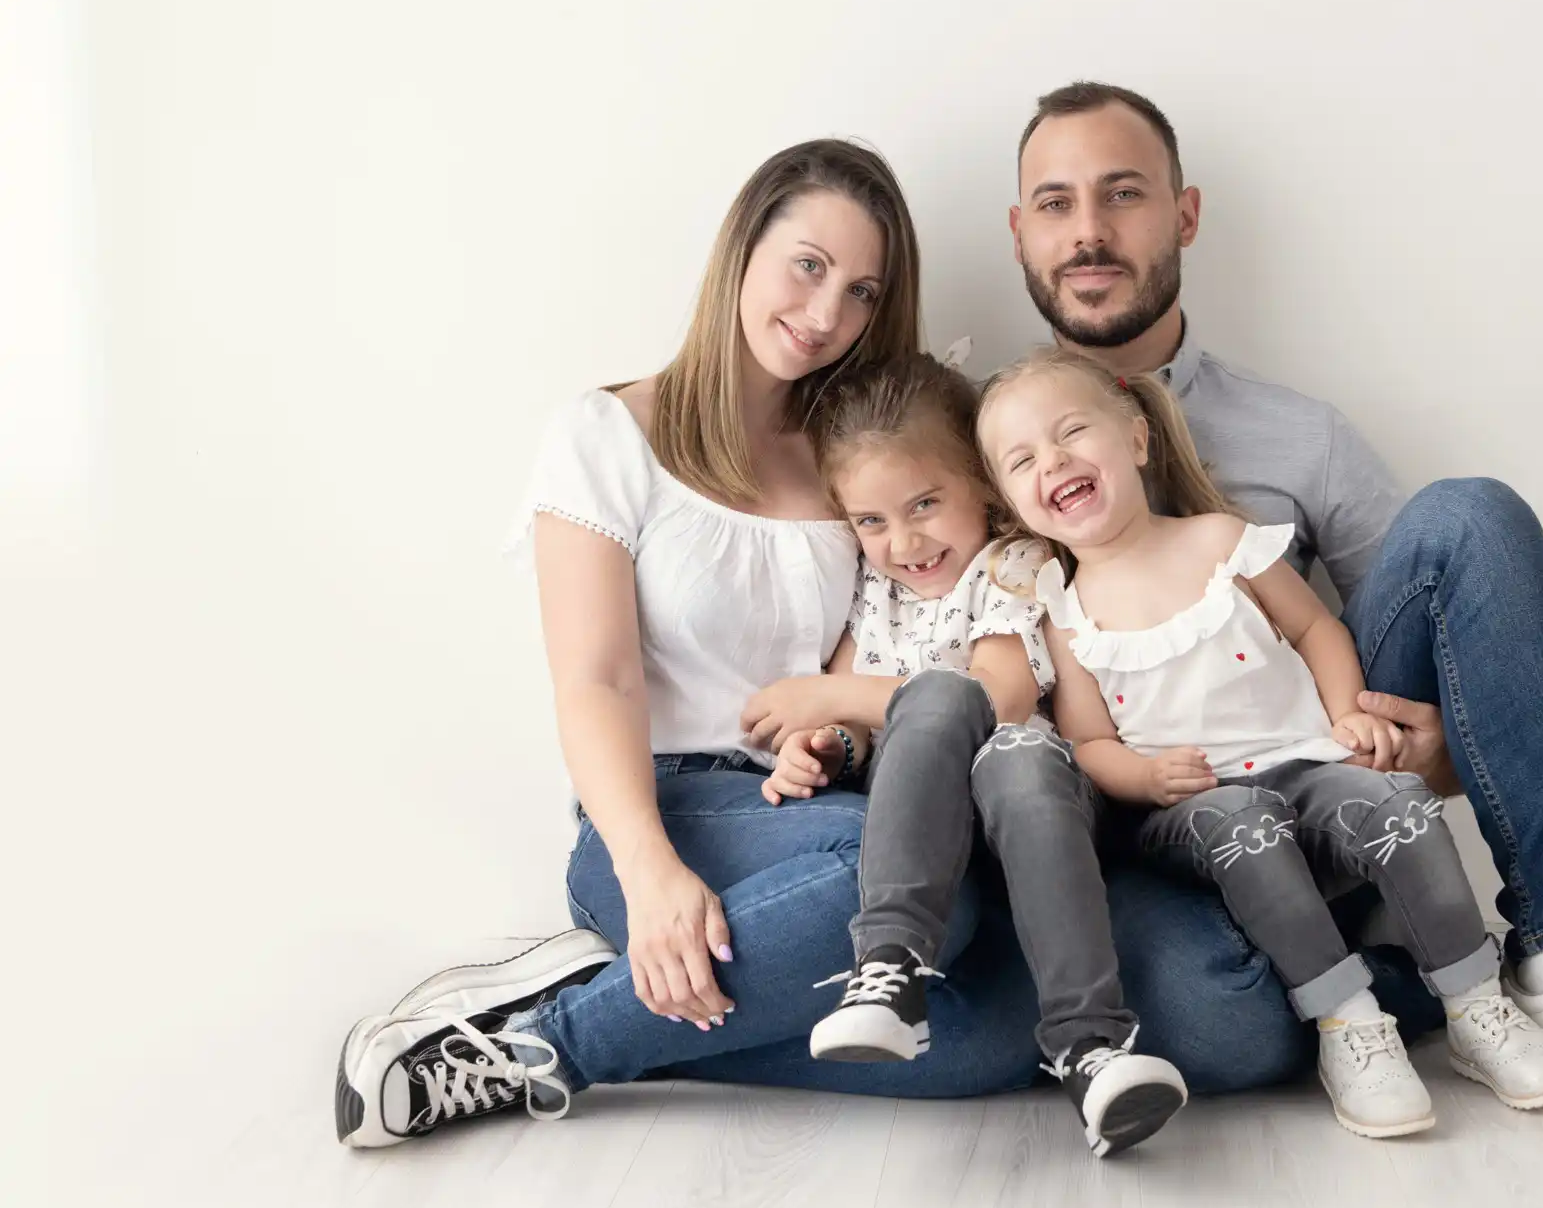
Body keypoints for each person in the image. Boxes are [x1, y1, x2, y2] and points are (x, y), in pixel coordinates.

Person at [1004, 81, 1543, 1121]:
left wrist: (1427, 747)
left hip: (1320, 765)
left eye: (1123, 194)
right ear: (1019, 233)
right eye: (1055, 204)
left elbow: (1440, 645)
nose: (1089, 233)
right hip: (1157, 827)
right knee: (1221, 1021)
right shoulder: (983, 453)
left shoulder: (1300, 435)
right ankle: (1396, 981)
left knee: (1468, 517)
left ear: (1184, 214)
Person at [335, 139, 1052, 1148]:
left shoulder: (856, 460)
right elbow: (596, 678)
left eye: (860, 292)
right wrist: (649, 871)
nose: (825, 313)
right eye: (808, 266)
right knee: (904, 877)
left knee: (1004, 1023)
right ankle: (541, 1050)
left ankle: (603, 1002)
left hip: (824, 796)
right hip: (666, 812)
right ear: (742, 248)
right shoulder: (606, 434)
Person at [977, 346, 1543, 1136]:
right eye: (1022, 460)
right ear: (1011, 502)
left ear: (1136, 438)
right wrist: (1146, 777)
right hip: (1195, 803)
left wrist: (1347, 715)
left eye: (1070, 433)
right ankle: (1348, 1023)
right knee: (1245, 826)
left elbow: (1315, 628)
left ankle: (1476, 1006)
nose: (1053, 461)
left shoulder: (1222, 540)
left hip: (1304, 761)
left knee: (1399, 805)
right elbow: (1088, 741)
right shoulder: (1065, 610)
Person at [741, 352, 1188, 1157]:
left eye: (925, 504)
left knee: (970, 714)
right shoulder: (872, 590)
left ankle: (1091, 1047)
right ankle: (889, 972)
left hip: (1031, 806)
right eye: (871, 522)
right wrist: (825, 744)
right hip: (924, 826)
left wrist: (829, 694)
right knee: (931, 701)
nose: (904, 541)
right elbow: (858, 731)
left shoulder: (1012, 564)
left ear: (981, 486)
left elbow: (1001, 696)